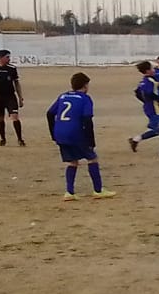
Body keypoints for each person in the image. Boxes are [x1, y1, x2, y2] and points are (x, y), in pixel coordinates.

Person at [45, 72, 112, 200]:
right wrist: (91, 141)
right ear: (85, 85)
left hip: (60, 133)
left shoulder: (63, 96)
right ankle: (98, 190)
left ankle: (69, 192)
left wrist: (53, 132)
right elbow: (87, 119)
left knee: (72, 162)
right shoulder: (85, 99)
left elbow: (49, 113)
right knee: (92, 158)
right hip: (75, 132)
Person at [127, 60, 159, 155]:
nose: (154, 70)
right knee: (157, 130)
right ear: (147, 71)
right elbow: (148, 94)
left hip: (155, 107)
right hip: (153, 109)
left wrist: (145, 101)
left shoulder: (144, 81)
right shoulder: (150, 81)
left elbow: (137, 92)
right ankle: (135, 139)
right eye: (152, 68)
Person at [0, 48, 25, 145]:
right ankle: (3, 139)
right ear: (1, 58)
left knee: (15, 117)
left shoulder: (12, 68)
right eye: (7, 57)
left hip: (10, 96)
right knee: (0, 118)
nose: (9, 59)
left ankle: (20, 139)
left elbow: (16, 83)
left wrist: (20, 97)